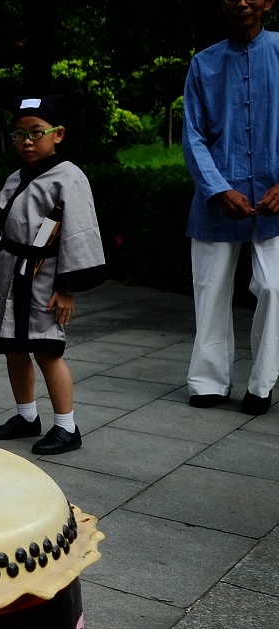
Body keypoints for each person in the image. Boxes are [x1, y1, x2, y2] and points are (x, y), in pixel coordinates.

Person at [0, 96, 107, 455]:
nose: (28, 141)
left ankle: (67, 426)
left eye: (37, 132)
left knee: (46, 349)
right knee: (13, 348)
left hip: (45, 275)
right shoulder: (15, 177)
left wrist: (67, 287)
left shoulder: (69, 177)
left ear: (59, 134)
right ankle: (26, 416)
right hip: (11, 273)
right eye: (20, 134)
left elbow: (80, 232)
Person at [182, 0, 279, 415]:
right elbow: (193, 133)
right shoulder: (203, 64)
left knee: (275, 288)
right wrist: (218, 189)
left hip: (273, 199)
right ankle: (208, 380)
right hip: (216, 200)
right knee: (210, 291)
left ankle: (263, 382)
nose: (242, 2)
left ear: (268, 2)